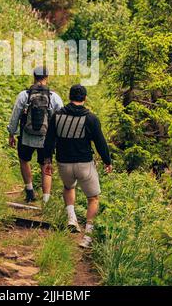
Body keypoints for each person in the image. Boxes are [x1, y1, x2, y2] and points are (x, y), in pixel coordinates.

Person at [43, 84, 112, 248]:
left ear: (69, 97)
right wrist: (107, 161)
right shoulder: (91, 118)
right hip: (84, 164)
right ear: (85, 98)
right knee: (93, 198)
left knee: (68, 187)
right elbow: (100, 143)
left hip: (63, 163)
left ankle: (72, 218)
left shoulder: (57, 116)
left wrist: (47, 160)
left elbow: (49, 140)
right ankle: (87, 237)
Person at [8, 66, 63, 203]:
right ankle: (46, 200)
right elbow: (61, 119)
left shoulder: (24, 95)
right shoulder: (54, 97)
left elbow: (15, 115)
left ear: (34, 77)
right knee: (46, 165)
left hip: (26, 137)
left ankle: (30, 191)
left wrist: (11, 133)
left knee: (24, 160)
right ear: (47, 78)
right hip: (46, 139)